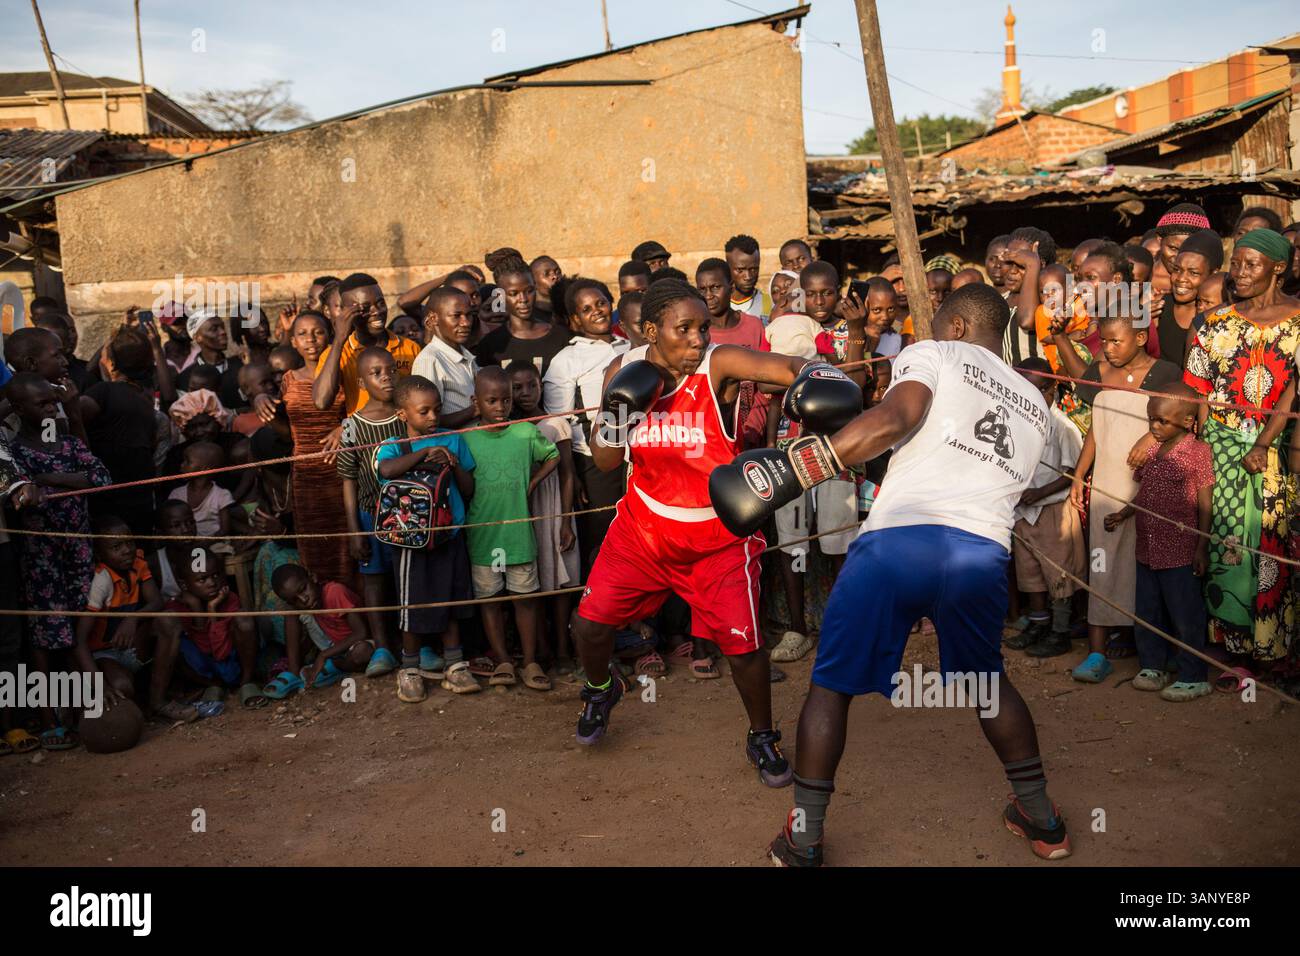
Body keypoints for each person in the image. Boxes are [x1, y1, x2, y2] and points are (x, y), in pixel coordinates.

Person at [712, 283, 1067, 865]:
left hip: (900, 538)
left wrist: (791, 471)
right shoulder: (1035, 405)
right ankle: (1043, 819)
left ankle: (805, 839)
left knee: (832, 686)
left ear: (955, 327)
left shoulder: (935, 353)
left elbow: (894, 418)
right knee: (987, 683)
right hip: (980, 554)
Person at [571, 278, 849, 786]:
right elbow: (608, 458)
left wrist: (818, 375)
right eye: (685, 329)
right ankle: (599, 687)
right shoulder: (621, 371)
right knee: (589, 625)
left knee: (744, 648)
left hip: (716, 539)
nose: (698, 338)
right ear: (651, 330)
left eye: (702, 326)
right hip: (643, 532)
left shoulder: (717, 364)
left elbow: (784, 367)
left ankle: (761, 736)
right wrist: (617, 412)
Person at [1184, 228, 1300, 671]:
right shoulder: (1215, 324)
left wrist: (1266, 441)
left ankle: (1271, 648)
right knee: (1224, 545)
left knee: (1271, 546)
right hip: (1222, 448)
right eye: (1236, 264)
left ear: (1279, 267)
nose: (1240, 273)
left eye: (1251, 264)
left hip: (1280, 454)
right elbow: (1196, 392)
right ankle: (1230, 646)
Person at [1055, 312, 1180, 682]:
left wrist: (1152, 438)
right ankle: (1097, 653)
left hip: (1150, 482)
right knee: (1103, 564)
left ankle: (1155, 649)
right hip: (1108, 482)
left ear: (1141, 338)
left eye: (1115, 342)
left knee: (1148, 564)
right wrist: (1079, 475)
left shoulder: (1164, 373)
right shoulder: (1099, 374)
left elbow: (1180, 419)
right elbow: (1097, 428)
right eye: (1103, 341)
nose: (1106, 350)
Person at [6, 373, 111, 749]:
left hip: (78, 550)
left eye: (53, 402)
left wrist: (50, 477)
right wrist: (72, 479)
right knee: (44, 636)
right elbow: (19, 489)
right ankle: (50, 717)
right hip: (41, 556)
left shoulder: (67, 444)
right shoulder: (14, 452)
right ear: (18, 410)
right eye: (42, 404)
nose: (51, 409)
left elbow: (100, 477)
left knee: (79, 629)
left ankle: (84, 711)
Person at [1103, 384, 1214, 702]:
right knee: (1148, 610)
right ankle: (1153, 665)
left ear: (1189, 420)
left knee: (1185, 612)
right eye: (1151, 420)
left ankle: (1193, 675)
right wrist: (1123, 514)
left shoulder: (1197, 452)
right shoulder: (1153, 451)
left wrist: (1201, 547)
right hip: (1148, 548)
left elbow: (1205, 504)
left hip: (1179, 549)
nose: (1154, 427)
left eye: (1162, 421)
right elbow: (1145, 493)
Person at [375, 375, 479, 700]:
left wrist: (453, 462)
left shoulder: (453, 440)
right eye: (424, 412)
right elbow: (387, 471)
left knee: (449, 600)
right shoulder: (393, 445)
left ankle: (455, 664)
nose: (433, 418)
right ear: (403, 414)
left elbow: (469, 489)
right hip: (410, 543)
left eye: (437, 410)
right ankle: (409, 669)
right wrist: (424, 454)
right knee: (412, 604)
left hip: (449, 536)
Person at [463, 367, 558, 690]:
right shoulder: (468, 438)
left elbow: (553, 455)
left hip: (518, 534)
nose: (500, 407)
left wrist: (532, 483)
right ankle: (504, 658)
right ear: (476, 402)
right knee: (490, 600)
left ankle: (530, 661)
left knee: (525, 599)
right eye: (491, 401)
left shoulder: (523, 432)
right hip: (483, 534)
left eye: (505, 400)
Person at [253, 311, 351, 585]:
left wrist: (347, 427)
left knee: (348, 547)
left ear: (329, 335)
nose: (311, 339)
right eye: (302, 334)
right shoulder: (289, 379)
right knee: (315, 550)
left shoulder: (344, 371)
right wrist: (263, 404)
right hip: (306, 475)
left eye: (318, 332)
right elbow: (289, 433)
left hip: (341, 470)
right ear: (293, 341)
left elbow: (358, 412)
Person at [542, 278, 629, 576]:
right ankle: (605, 615)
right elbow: (560, 423)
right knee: (604, 535)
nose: (597, 312)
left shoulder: (630, 345)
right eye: (586, 309)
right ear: (575, 319)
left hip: (635, 456)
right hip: (594, 462)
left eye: (601, 303)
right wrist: (573, 474)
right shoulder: (566, 360)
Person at [76, 516, 197, 721]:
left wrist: (132, 618)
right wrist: (101, 686)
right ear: (99, 554)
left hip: (131, 646)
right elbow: (79, 641)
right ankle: (134, 706)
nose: (126, 550)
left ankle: (158, 701)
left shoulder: (138, 564)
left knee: (169, 620)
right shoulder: (101, 582)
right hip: (105, 654)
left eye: (129, 542)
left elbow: (157, 601)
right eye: (116, 546)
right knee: (122, 687)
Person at [1003, 359, 1085, 659]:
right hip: (1023, 512)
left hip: (1052, 510)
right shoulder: (1015, 421)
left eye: (1036, 389)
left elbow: (1072, 471)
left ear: (1051, 388)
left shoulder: (1062, 425)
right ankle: (1038, 624)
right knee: (1030, 574)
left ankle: (1060, 631)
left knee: (1058, 574)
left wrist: (1039, 492)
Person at [335, 346, 406, 676]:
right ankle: (382, 647)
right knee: (375, 580)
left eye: (390, 370)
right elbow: (348, 478)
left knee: (407, 579)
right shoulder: (352, 425)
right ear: (361, 382)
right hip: (369, 513)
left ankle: (413, 644)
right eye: (376, 373)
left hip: (407, 515)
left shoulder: (407, 416)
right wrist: (354, 529)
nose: (386, 378)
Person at [510, 360, 580, 672]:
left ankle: (564, 649)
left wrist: (566, 521)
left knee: (563, 578)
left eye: (532, 385)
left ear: (542, 386)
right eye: (517, 387)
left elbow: (567, 475)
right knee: (531, 581)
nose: (526, 393)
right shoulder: (507, 427)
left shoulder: (557, 424)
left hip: (554, 508)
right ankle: (540, 649)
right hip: (525, 510)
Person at [313, 273, 421, 417]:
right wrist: (339, 339)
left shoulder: (410, 348)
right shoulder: (339, 353)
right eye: (365, 307)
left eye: (380, 303)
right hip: (365, 437)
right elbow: (321, 401)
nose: (376, 311)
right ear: (347, 312)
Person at [167, 548, 263, 705]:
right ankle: (214, 686)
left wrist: (212, 609)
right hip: (206, 672)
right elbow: (205, 649)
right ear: (184, 585)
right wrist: (198, 609)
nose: (212, 583)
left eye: (215, 575)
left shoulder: (229, 599)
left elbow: (220, 653)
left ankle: (247, 682)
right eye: (202, 579)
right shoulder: (180, 607)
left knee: (244, 619)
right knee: (173, 641)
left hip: (233, 665)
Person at [695, 258, 770, 448]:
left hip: (752, 432)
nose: (709, 295)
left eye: (715, 287)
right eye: (702, 290)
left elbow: (764, 387)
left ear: (731, 286)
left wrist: (752, 428)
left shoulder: (753, 325)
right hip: (710, 435)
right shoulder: (698, 335)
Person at [266, 564, 373, 695]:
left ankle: (335, 666)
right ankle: (294, 674)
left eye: (303, 589)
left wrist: (323, 655)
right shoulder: (306, 604)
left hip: (358, 643)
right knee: (291, 614)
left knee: (362, 653)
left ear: (313, 577)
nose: (303, 599)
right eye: (295, 600)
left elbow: (361, 633)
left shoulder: (335, 592)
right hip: (333, 645)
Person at [474, 254, 572, 375]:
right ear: (500, 296)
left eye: (529, 291)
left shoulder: (561, 336)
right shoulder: (491, 345)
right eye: (514, 293)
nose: (523, 299)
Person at [411, 286, 480, 429]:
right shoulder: (430, 360)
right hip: (453, 447)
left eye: (469, 315)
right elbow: (427, 422)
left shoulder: (465, 355)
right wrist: (475, 410)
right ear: (433, 318)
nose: (466, 323)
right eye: (456, 316)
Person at [1159, 230, 1223, 364]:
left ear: (1213, 274)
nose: (1181, 279)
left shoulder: (1223, 316)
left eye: (1193, 273)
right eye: (1177, 269)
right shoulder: (1159, 307)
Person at [166, 441, 235, 553]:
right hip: (184, 543)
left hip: (213, 543)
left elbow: (224, 530)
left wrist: (205, 543)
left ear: (205, 469)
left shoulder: (221, 495)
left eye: (187, 461)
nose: (181, 465)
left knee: (219, 551)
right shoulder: (177, 494)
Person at [175, 310, 243, 409]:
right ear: (198, 338)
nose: (223, 332)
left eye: (222, 327)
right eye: (214, 329)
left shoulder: (239, 365)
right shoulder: (186, 378)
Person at [725, 234, 769, 319]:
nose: (748, 277)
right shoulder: (716, 305)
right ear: (728, 267)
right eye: (740, 270)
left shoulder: (769, 304)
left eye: (753, 269)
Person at [530, 255, 563, 319]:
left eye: (558, 272)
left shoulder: (568, 312)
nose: (555, 276)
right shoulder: (529, 317)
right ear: (533, 282)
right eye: (547, 274)